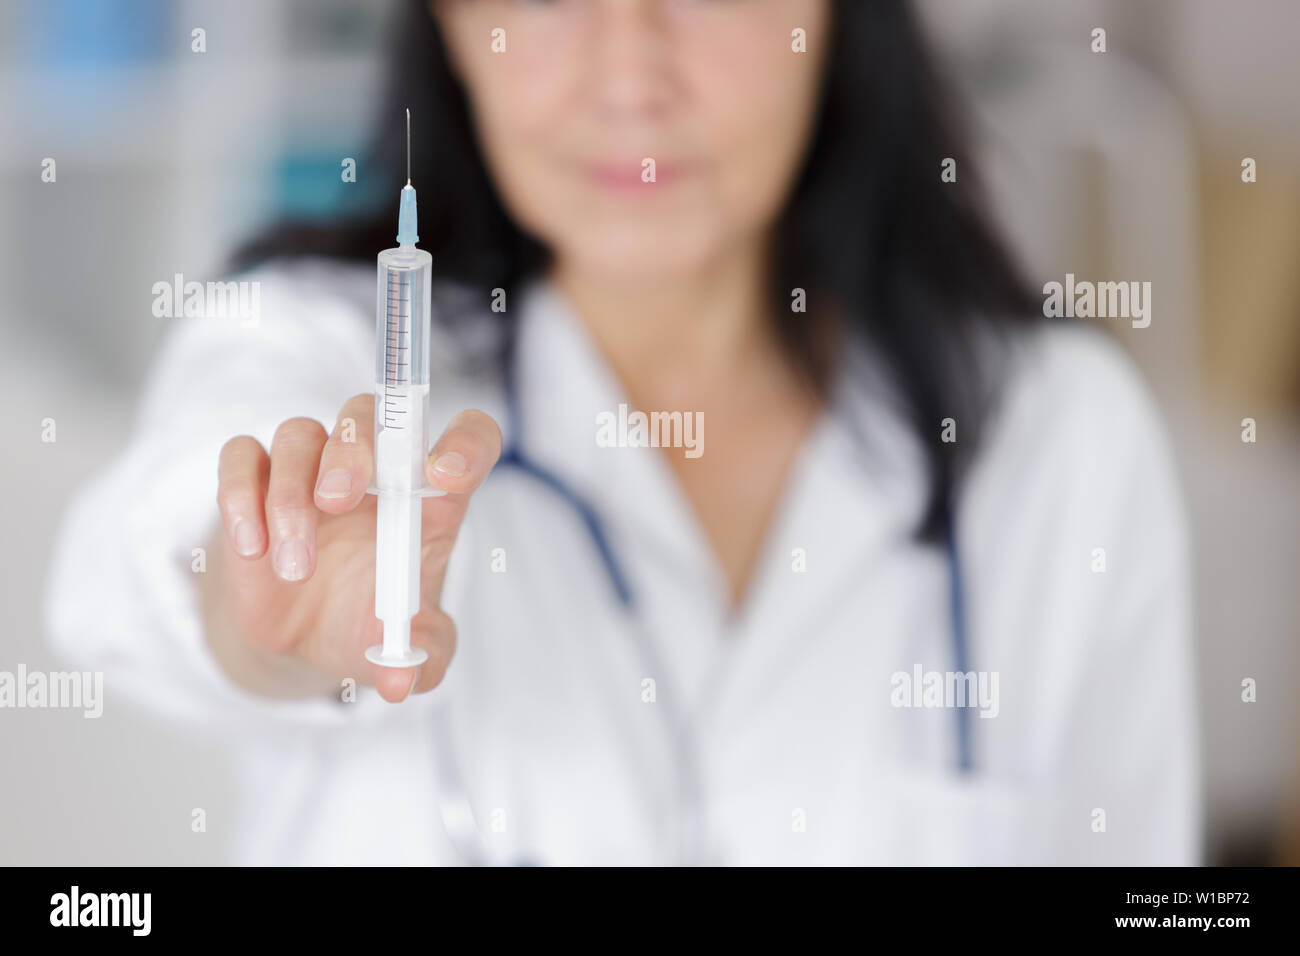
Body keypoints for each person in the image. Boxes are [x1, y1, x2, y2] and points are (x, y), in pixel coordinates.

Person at [45, 0, 1198, 865]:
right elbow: (131, 572)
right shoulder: (308, 337)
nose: (631, 76)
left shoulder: (1061, 436)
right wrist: (267, 614)